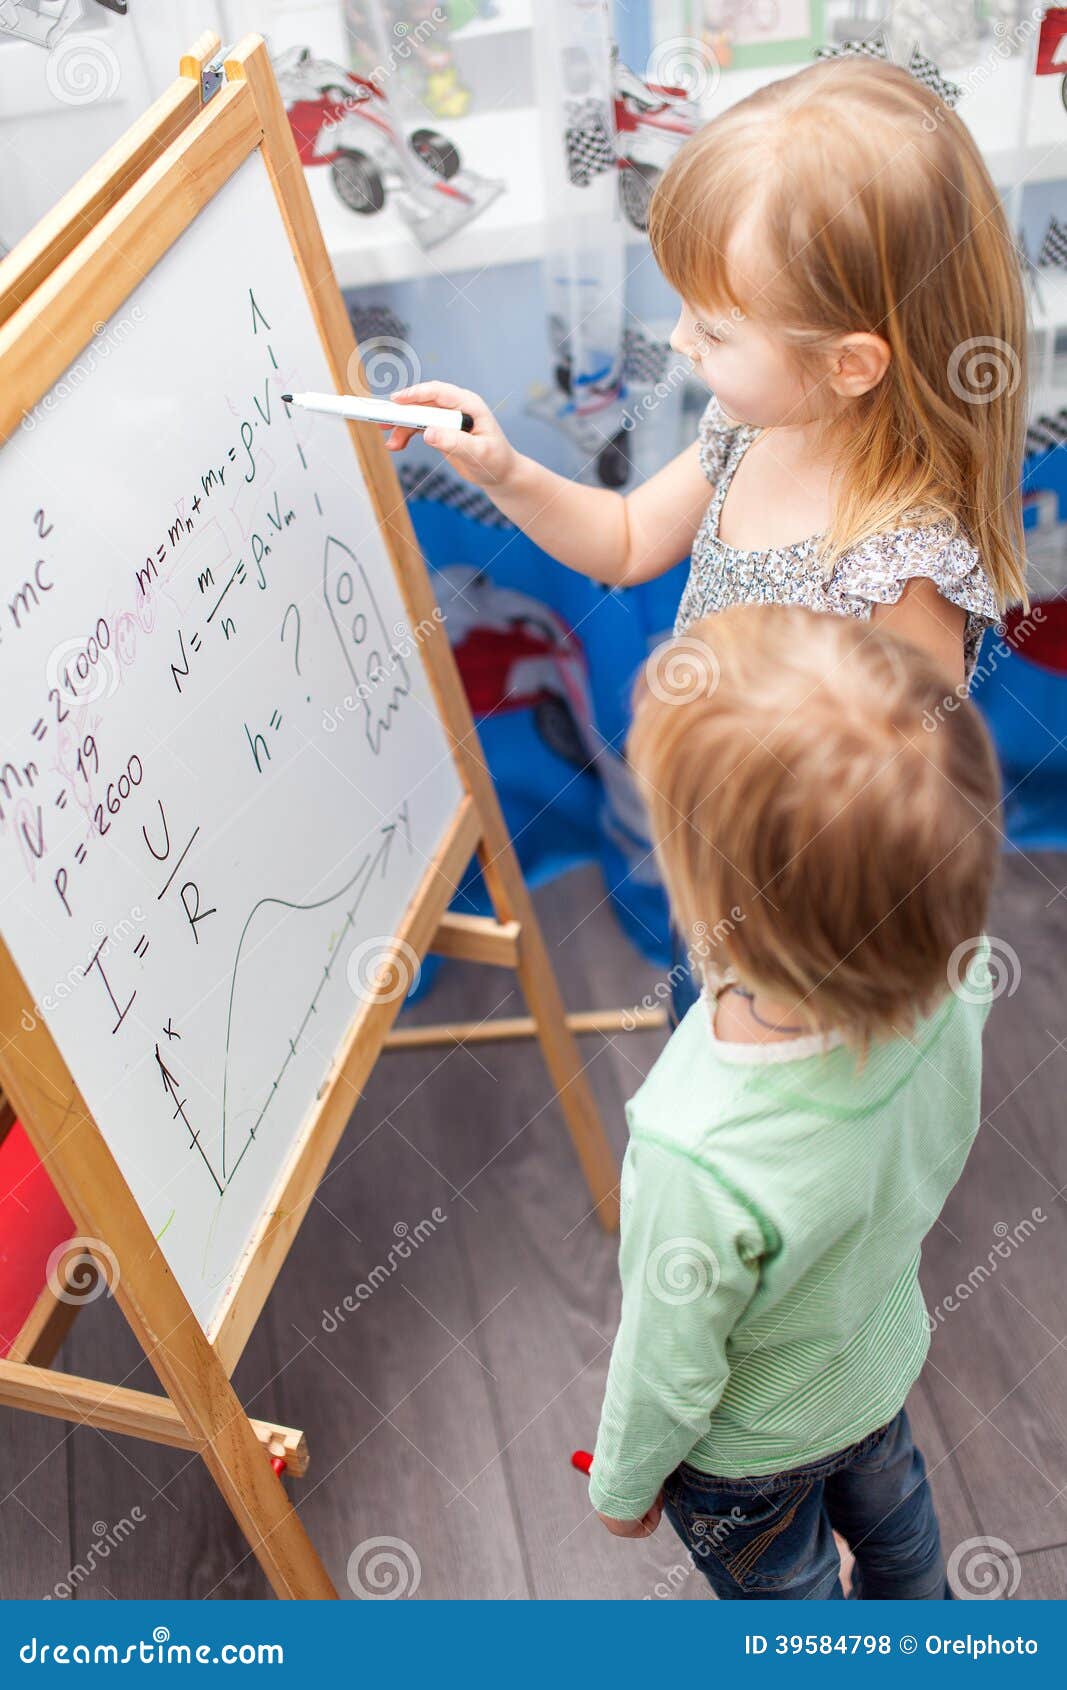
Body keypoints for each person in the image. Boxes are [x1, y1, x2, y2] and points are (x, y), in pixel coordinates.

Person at [384, 55, 1025, 1013]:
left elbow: (902, 819)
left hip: (812, 935)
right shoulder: (752, 426)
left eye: (715, 330)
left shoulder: (901, 566)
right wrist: (507, 472)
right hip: (720, 873)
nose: (680, 341)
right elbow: (630, 539)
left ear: (849, 363)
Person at [584, 602, 1001, 1599]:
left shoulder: (696, 1146)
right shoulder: (961, 975)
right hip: (874, 1366)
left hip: (746, 1455)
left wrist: (622, 1481)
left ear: (704, 890)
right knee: (902, 1544)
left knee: (790, 1607)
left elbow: (667, 1367)